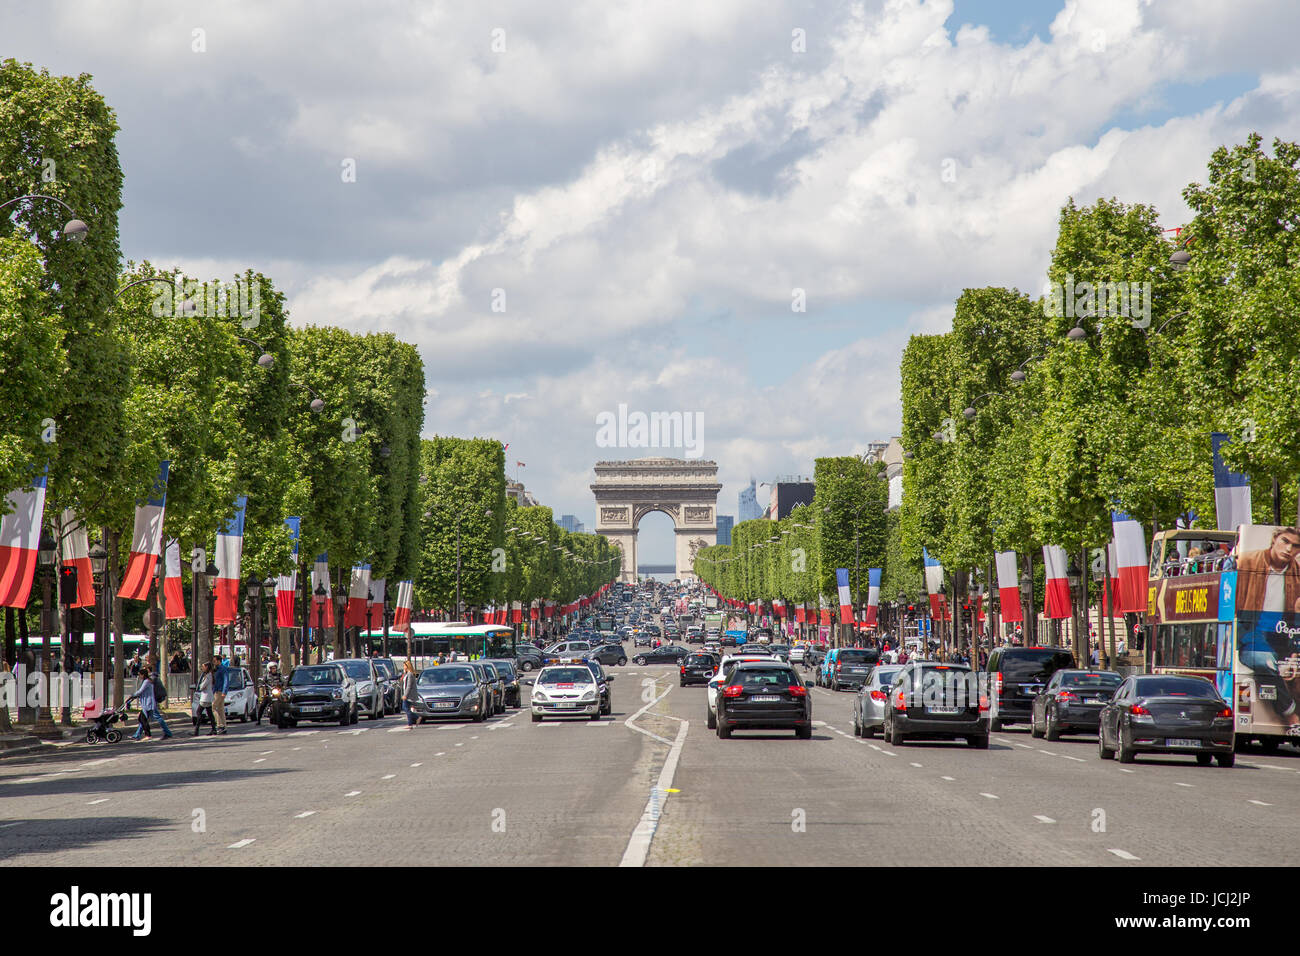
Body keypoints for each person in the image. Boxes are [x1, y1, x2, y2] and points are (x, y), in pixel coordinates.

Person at [128, 667, 173, 740]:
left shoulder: (147, 681)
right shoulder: (149, 680)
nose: (139, 676)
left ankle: (166, 733)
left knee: (152, 718)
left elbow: (140, 691)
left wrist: (133, 695)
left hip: (149, 703)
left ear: (143, 674)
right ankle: (137, 735)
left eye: (139, 675)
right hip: (148, 703)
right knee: (143, 719)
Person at [212, 654, 231, 735]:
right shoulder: (216, 669)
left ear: (219, 661)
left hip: (220, 691)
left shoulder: (222, 669)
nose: (214, 662)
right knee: (220, 709)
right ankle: (224, 727)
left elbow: (226, 680)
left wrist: (224, 691)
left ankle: (220, 725)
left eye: (215, 661)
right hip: (216, 691)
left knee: (213, 707)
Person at [397, 660, 419, 728]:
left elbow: (409, 686)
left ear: (407, 666)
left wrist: (405, 695)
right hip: (407, 694)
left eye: (404, 666)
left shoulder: (410, 674)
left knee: (405, 708)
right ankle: (416, 718)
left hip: (408, 695)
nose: (403, 667)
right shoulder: (407, 674)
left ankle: (410, 724)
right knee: (406, 708)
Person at [196, 661, 215, 735]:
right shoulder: (208, 675)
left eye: (203, 667)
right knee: (210, 714)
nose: (202, 668)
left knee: (199, 712)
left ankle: (196, 730)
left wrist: (200, 686)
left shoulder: (208, 676)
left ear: (207, 667)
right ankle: (214, 728)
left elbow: (202, 686)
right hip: (207, 697)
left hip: (205, 698)